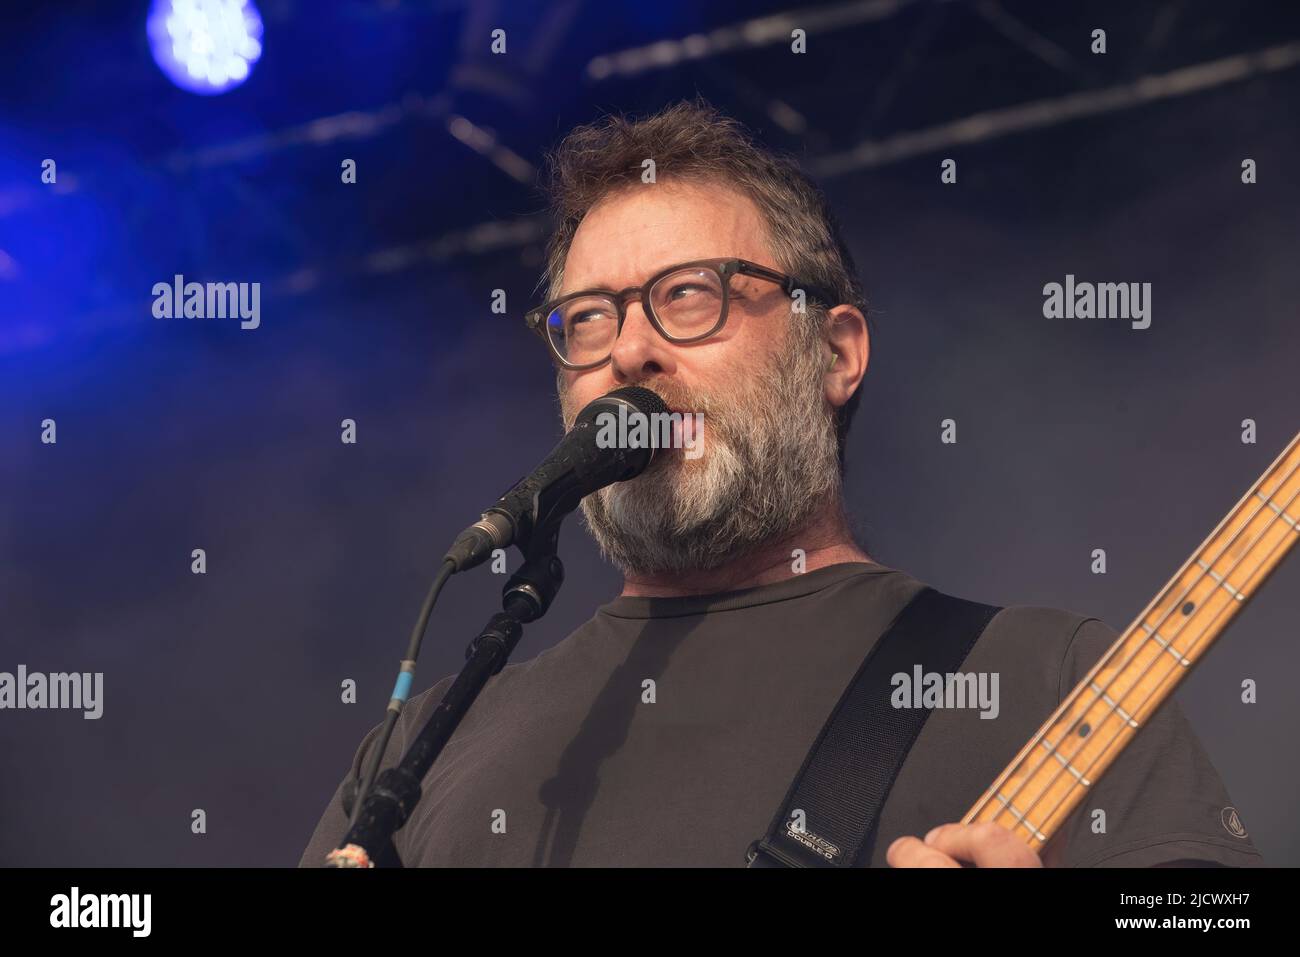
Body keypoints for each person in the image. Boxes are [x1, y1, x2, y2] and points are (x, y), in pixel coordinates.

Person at [300, 100, 1261, 868]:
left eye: (688, 294)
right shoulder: (418, 753)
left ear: (835, 352)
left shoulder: (1045, 678)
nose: (630, 348)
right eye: (587, 318)